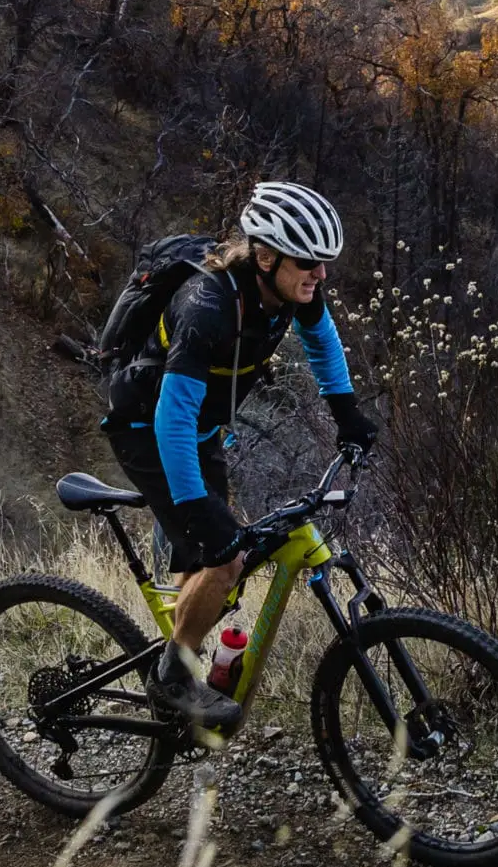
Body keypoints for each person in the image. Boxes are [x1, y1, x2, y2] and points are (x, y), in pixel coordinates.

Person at [105, 181, 376, 732]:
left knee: (209, 558)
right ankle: (173, 680)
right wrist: (196, 503)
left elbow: (323, 343)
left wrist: (346, 413)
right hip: (146, 425)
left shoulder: (291, 291)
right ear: (267, 255)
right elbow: (171, 418)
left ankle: (181, 656)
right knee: (224, 557)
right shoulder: (207, 306)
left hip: (198, 427)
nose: (320, 275)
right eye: (309, 262)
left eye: (325, 264)